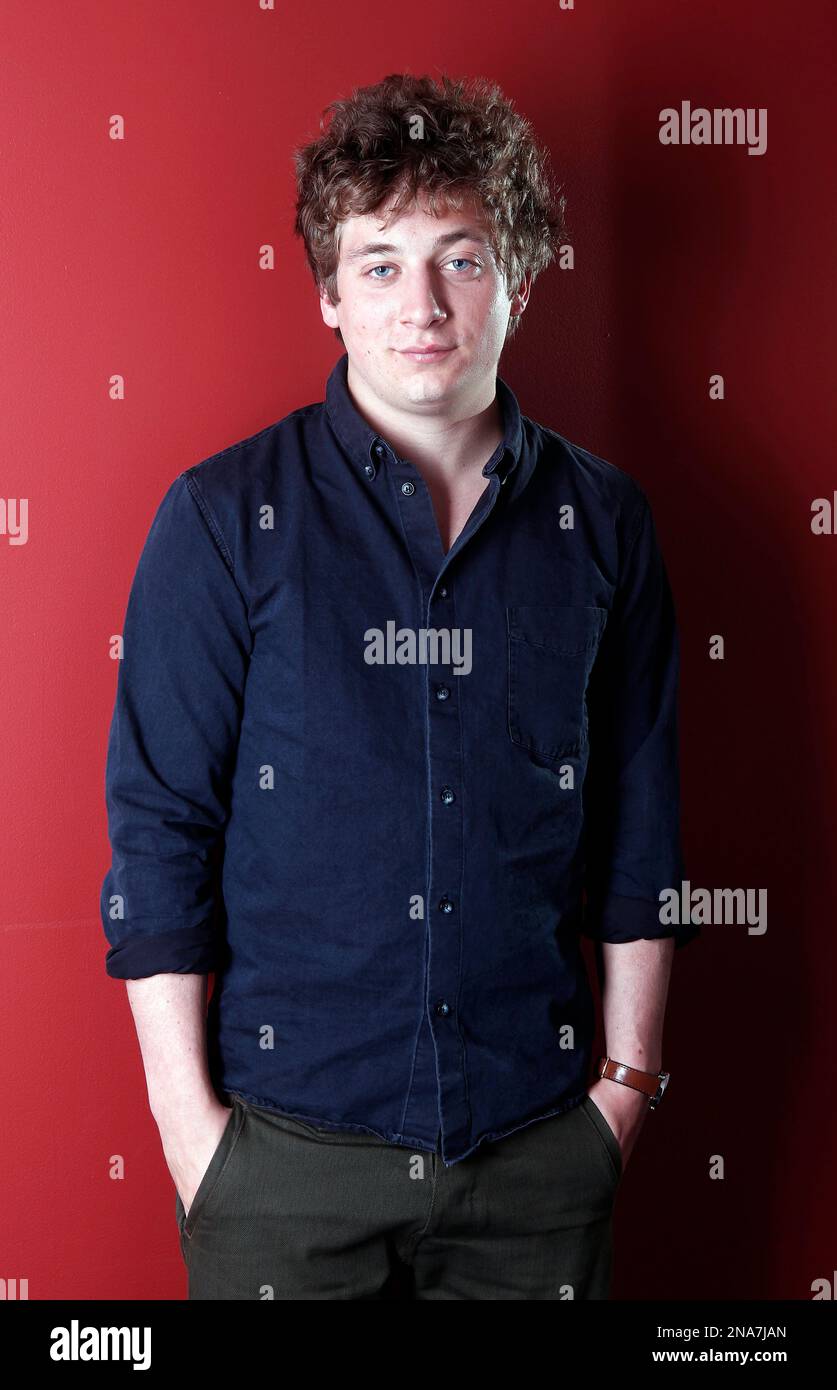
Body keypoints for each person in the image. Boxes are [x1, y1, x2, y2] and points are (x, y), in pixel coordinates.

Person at [100, 71, 699, 1301]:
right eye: (379, 264)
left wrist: (624, 1094)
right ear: (328, 291)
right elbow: (160, 835)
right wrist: (192, 1140)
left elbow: (644, 825)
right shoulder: (222, 521)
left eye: (461, 259)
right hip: (283, 1168)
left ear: (520, 280)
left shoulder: (607, 523)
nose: (420, 304)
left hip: (536, 1159)